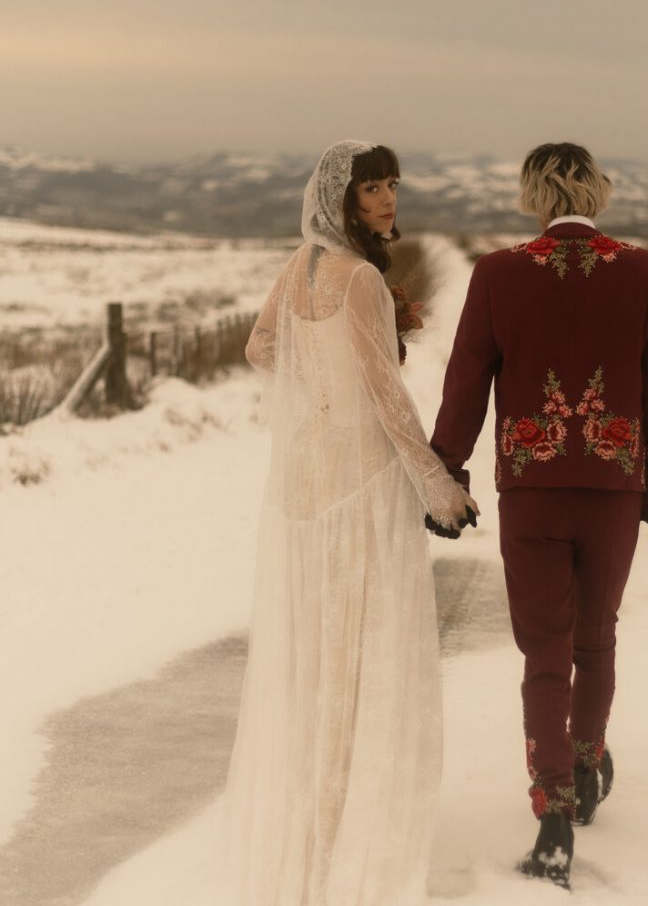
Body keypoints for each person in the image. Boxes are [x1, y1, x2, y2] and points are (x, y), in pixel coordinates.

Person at [220, 140, 478, 905]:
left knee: (316, 647)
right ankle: (350, 833)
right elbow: (388, 401)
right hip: (361, 479)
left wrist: (317, 386)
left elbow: (260, 346)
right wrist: (437, 487)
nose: (388, 199)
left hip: (303, 477)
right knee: (364, 644)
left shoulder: (297, 267)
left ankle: (314, 816)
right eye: (372, 188)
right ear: (343, 199)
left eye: (392, 185)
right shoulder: (361, 276)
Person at [430, 142, 648, 891]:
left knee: (544, 653)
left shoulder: (498, 273)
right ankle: (586, 756)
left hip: (531, 486)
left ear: (532, 194)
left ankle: (552, 808)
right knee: (595, 638)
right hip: (611, 483)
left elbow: (466, 378)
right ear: (596, 190)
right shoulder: (645, 271)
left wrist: (446, 470)